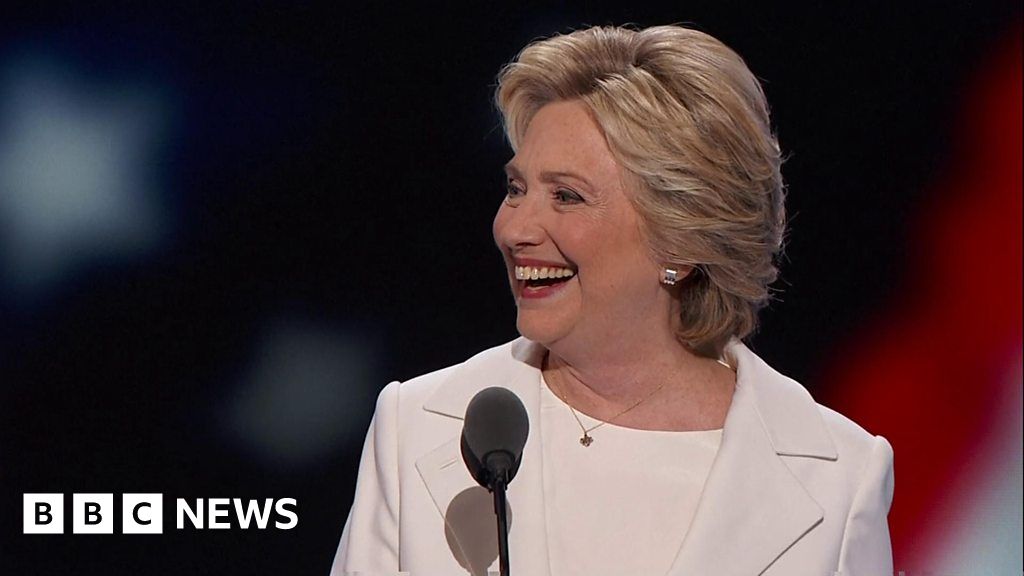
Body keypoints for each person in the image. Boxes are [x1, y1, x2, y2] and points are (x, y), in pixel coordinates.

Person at [331, 24, 893, 576]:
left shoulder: (841, 478)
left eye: (566, 196)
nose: (514, 229)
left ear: (682, 238)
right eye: (517, 189)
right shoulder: (414, 427)